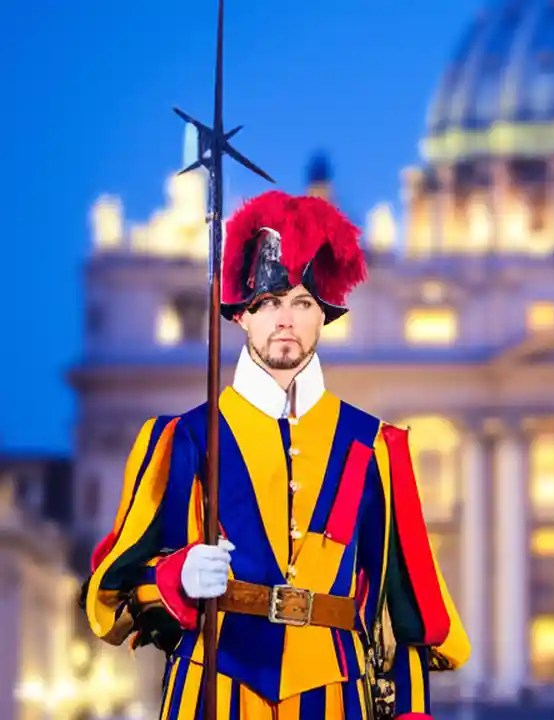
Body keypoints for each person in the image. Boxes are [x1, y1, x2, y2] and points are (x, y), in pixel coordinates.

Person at [81, 190, 469, 719]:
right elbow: (113, 595)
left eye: (302, 303)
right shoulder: (182, 438)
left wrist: (411, 711)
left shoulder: (376, 445)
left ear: (324, 317)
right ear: (241, 315)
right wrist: (177, 576)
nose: (285, 320)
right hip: (212, 689)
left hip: (337, 692)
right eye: (269, 303)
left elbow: (410, 612)